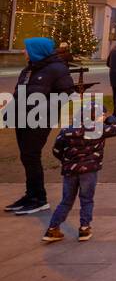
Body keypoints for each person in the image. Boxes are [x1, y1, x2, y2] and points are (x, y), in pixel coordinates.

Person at [5, 37, 76, 216]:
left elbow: (67, 94)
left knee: (31, 155)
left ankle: (39, 199)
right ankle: (31, 195)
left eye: (26, 49)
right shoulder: (29, 68)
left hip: (40, 119)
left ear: (37, 50)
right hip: (22, 118)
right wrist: (9, 112)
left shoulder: (57, 69)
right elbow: (19, 93)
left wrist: (42, 109)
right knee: (26, 157)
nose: (24, 52)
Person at [42, 98, 116, 243]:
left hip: (70, 170)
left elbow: (56, 149)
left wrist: (66, 161)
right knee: (86, 199)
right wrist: (110, 119)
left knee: (66, 201)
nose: (103, 118)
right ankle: (84, 228)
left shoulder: (67, 130)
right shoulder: (99, 130)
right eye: (102, 115)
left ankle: (52, 229)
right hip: (89, 170)